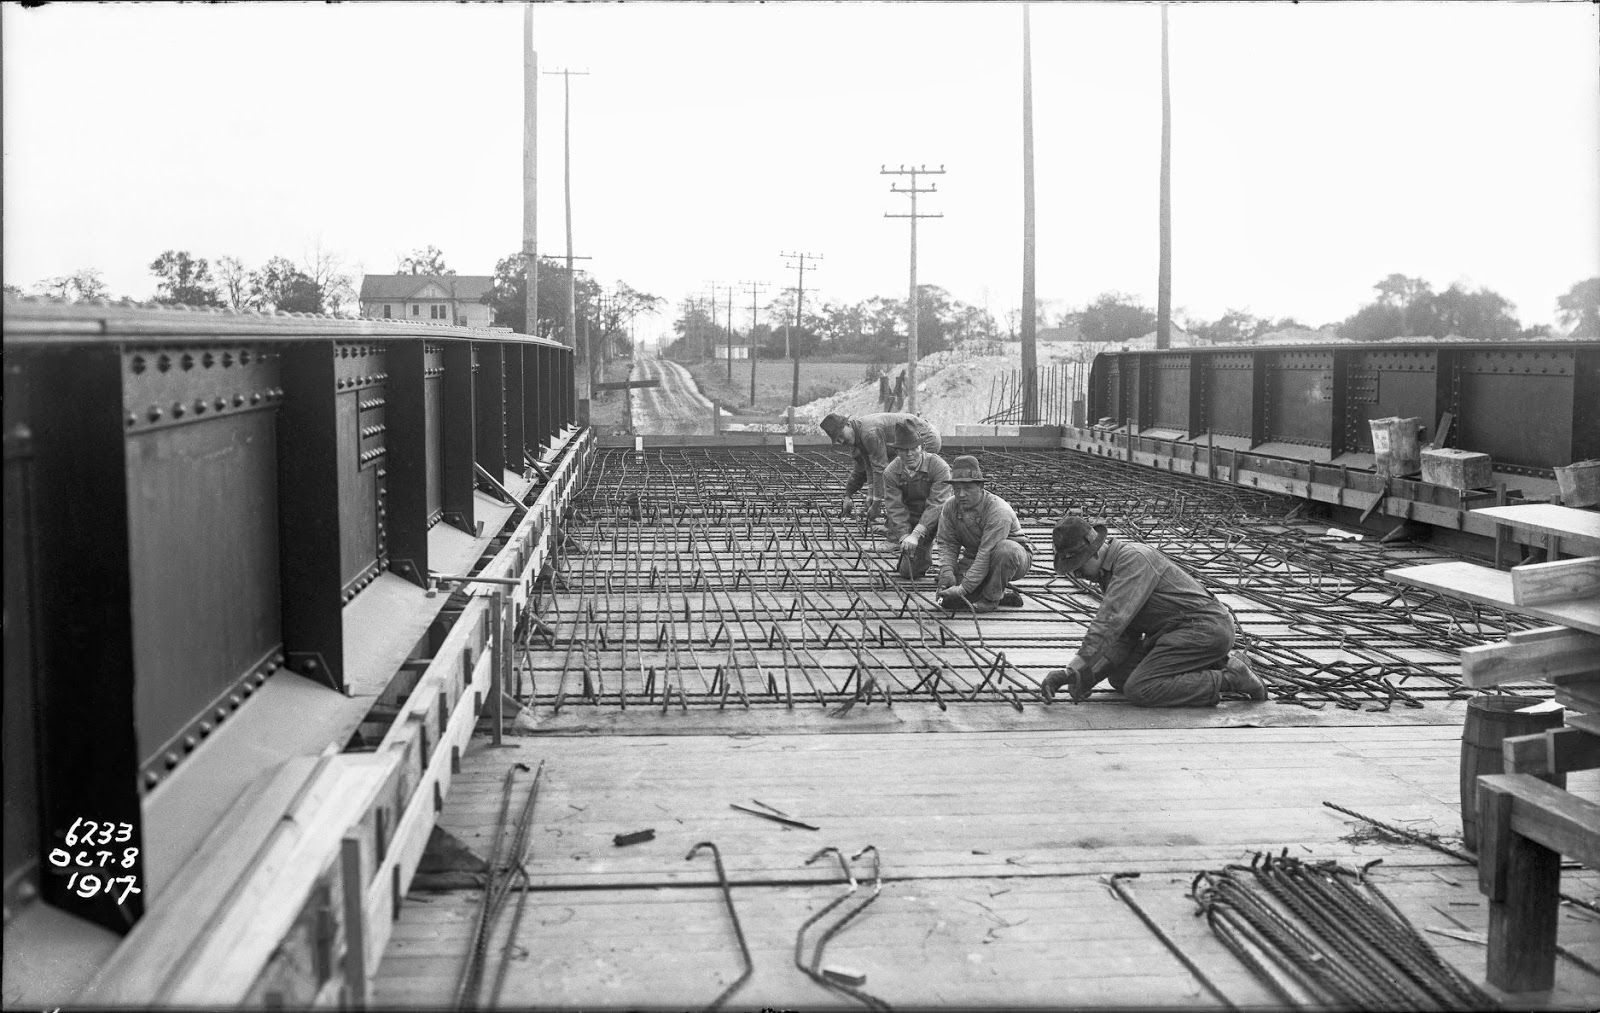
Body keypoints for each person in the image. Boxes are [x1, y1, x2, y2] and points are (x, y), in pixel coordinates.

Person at [1039, 516, 1267, 707]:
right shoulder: (1110, 574)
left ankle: (1231, 678)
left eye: (1078, 567)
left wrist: (1070, 670)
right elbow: (1125, 637)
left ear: (1095, 552)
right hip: (1174, 634)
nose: (1077, 575)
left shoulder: (1132, 561)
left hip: (1204, 630)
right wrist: (1086, 677)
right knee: (1120, 676)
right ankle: (1212, 663)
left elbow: (1108, 625)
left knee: (1140, 688)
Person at [931, 456, 1033, 612]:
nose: (961, 494)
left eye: (967, 489)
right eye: (957, 489)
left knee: (1005, 550)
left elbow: (986, 552)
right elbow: (947, 543)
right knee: (949, 599)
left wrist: (962, 589)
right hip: (974, 556)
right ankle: (1003, 594)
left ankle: (991, 598)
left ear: (981, 487)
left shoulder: (998, 510)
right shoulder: (950, 506)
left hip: (1013, 558)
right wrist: (947, 572)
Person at [819, 411, 941, 524]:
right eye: (837, 440)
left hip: (926, 437)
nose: (842, 441)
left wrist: (876, 504)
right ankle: (897, 524)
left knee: (903, 479)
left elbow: (880, 468)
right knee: (896, 474)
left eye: (841, 435)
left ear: (848, 424)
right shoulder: (858, 436)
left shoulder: (869, 433)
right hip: (906, 441)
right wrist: (858, 496)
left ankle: (903, 527)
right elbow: (867, 467)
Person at [881, 421, 952, 578]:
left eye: (914, 448)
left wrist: (917, 534)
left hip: (941, 518)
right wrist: (905, 536)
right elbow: (895, 508)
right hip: (912, 520)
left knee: (958, 521)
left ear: (922, 448)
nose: (909, 454)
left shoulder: (939, 467)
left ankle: (958, 567)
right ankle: (921, 556)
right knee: (909, 573)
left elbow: (937, 504)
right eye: (904, 450)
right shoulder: (891, 472)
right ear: (897, 451)